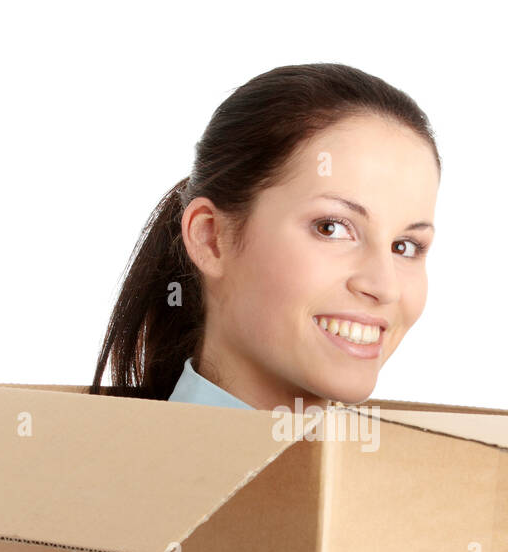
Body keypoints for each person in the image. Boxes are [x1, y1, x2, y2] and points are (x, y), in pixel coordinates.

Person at [90, 63, 441, 412]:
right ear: (211, 238)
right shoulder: (126, 464)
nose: (385, 287)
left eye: (405, 247)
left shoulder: (413, 463)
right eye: (331, 228)